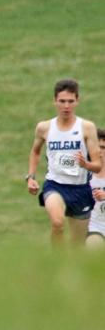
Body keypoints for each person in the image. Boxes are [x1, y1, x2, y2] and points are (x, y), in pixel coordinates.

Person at [26, 80, 101, 247]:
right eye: (62, 101)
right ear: (55, 101)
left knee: (77, 244)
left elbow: (97, 165)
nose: (66, 106)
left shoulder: (87, 128)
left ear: (77, 101)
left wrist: (85, 164)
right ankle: (56, 259)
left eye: (70, 101)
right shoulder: (44, 127)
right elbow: (35, 152)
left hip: (80, 189)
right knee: (57, 222)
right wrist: (31, 177)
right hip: (55, 185)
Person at [86, 129, 105, 249]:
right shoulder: (84, 175)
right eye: (97, 147)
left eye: (103, 147)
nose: (100, 151)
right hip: (94, 227)